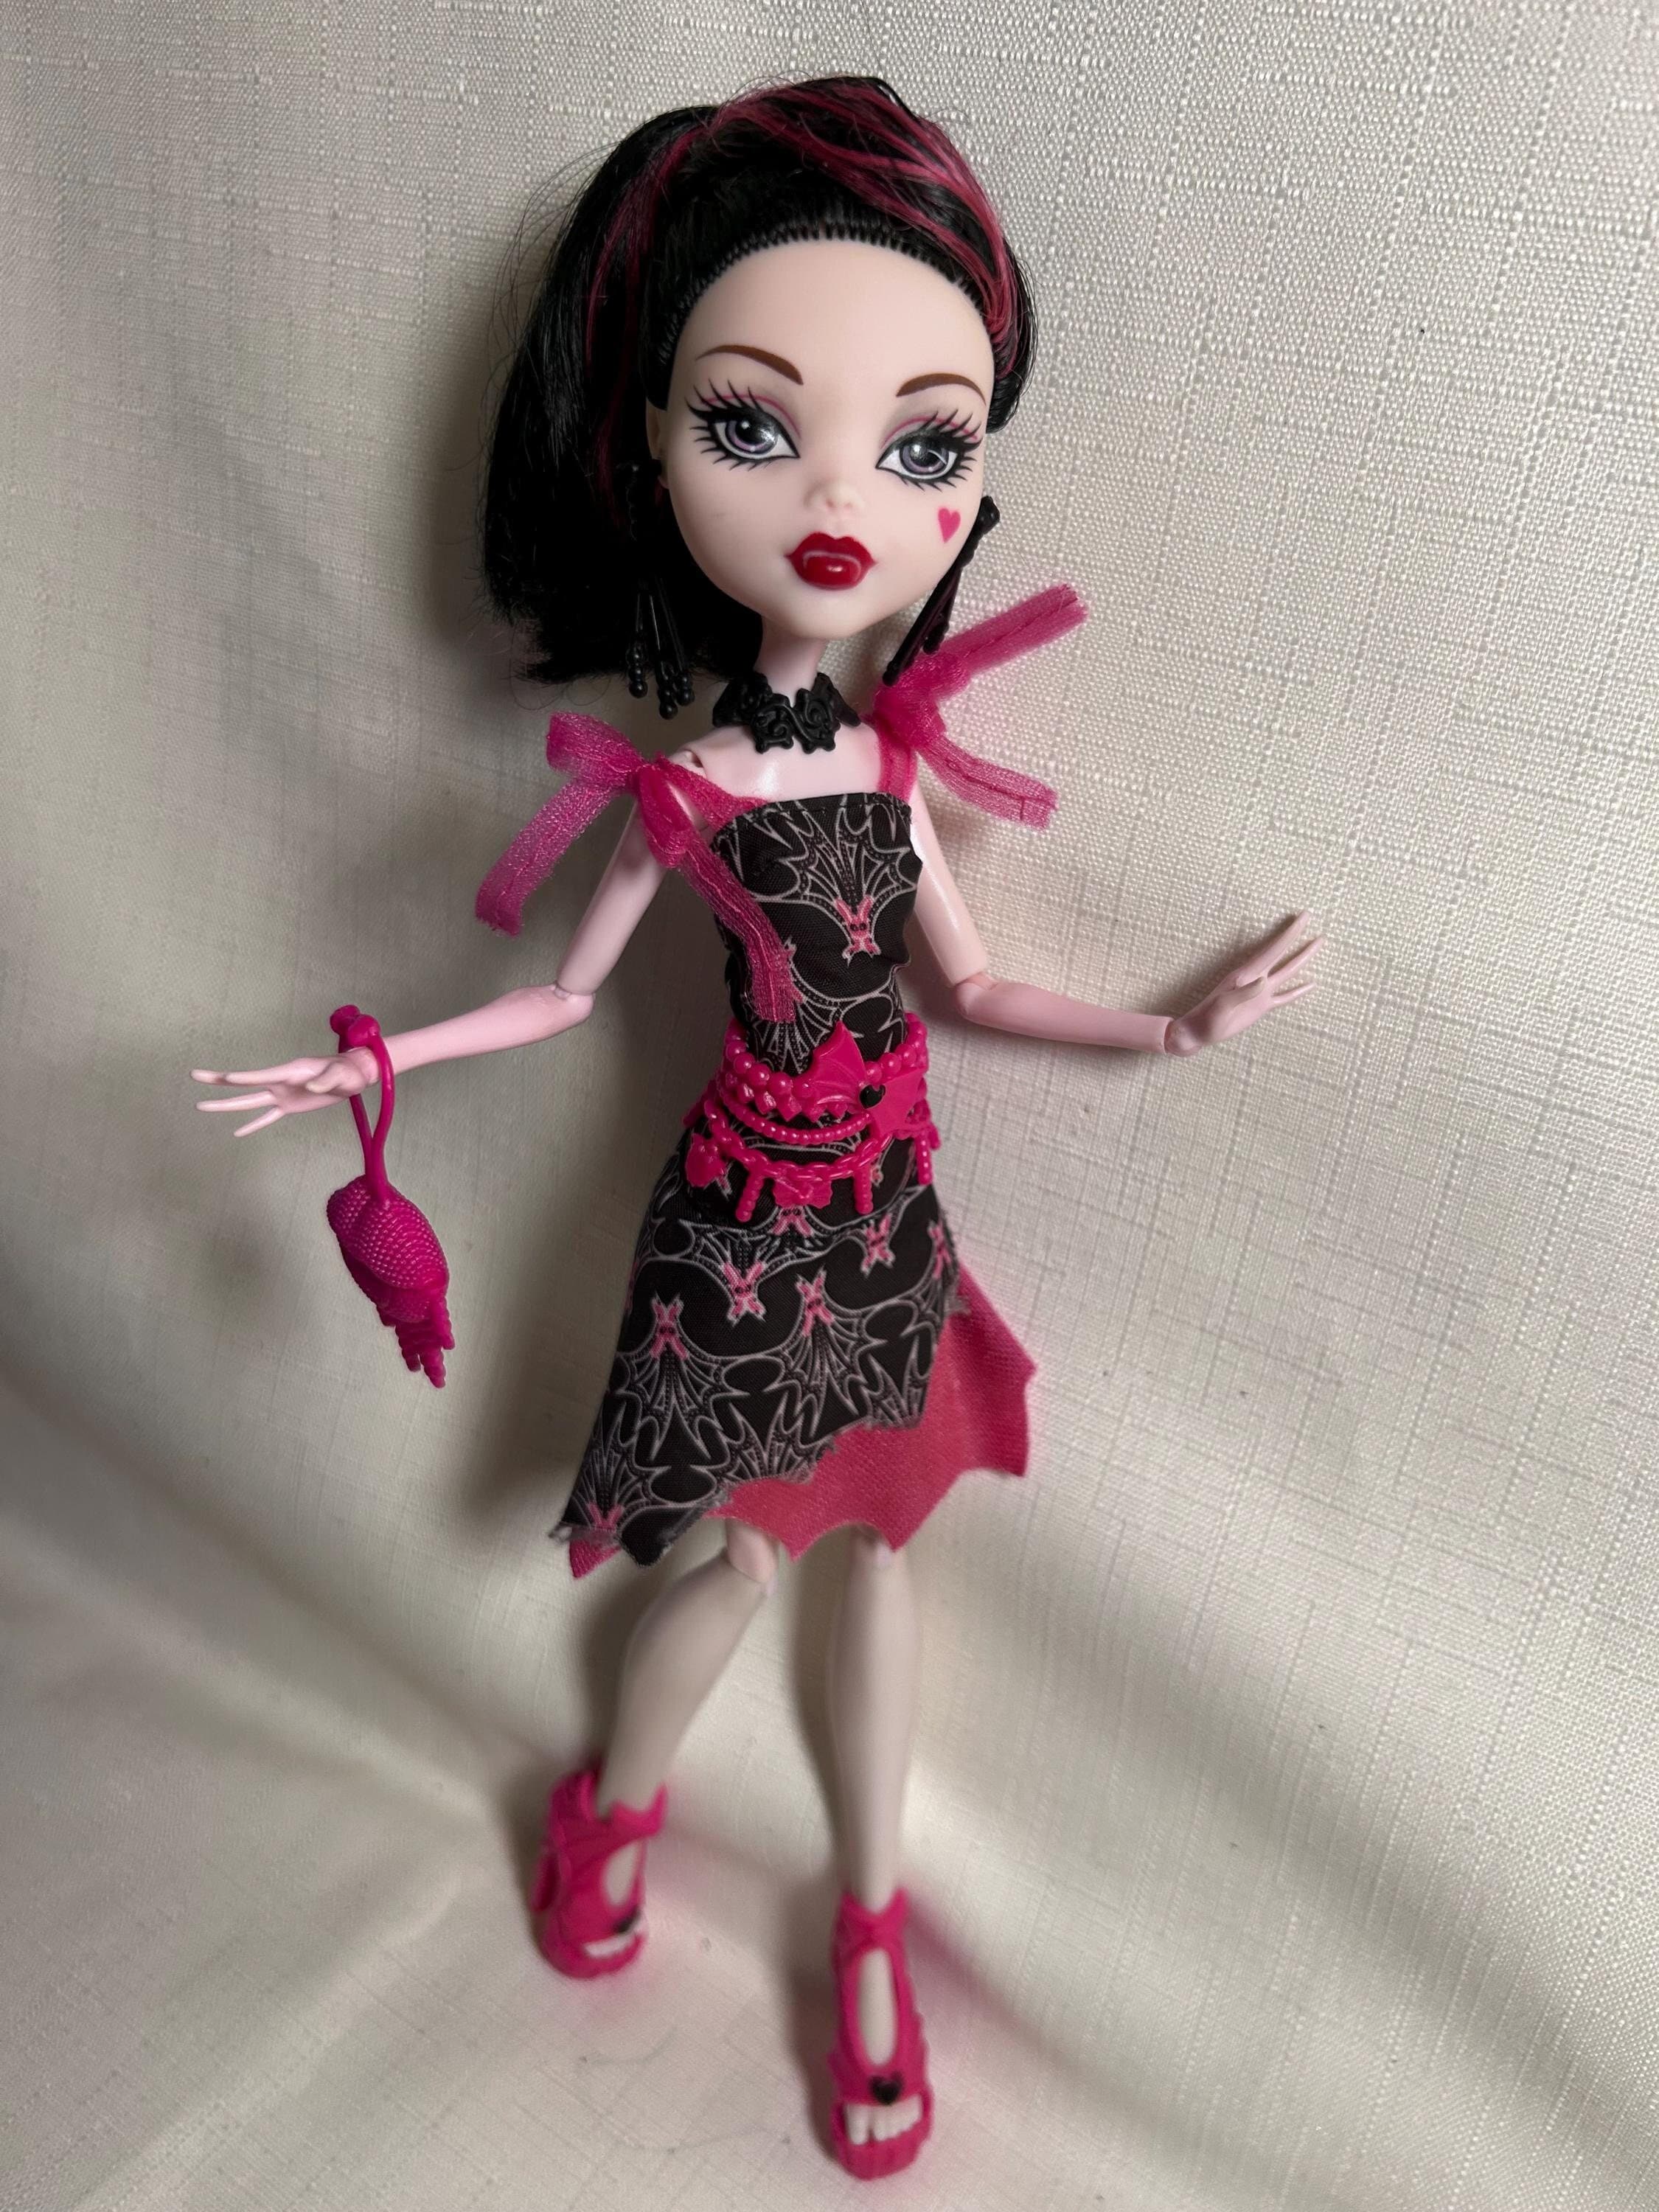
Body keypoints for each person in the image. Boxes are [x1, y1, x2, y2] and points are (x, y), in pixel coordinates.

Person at [192, 75, 1320, 2181]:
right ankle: (610, 1810)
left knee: (884, 1548)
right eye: (750, 424)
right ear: (647, 439)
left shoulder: (895, 771)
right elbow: (562, 992)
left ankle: (869, 1918)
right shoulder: (685, 790)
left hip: (887, 1215)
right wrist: (375, 1064)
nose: (837, 498)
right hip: (745, 1222)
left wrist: (1166, 1027)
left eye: (921, 448)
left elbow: (968, 987)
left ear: (964, 491)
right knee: (724, 1561)